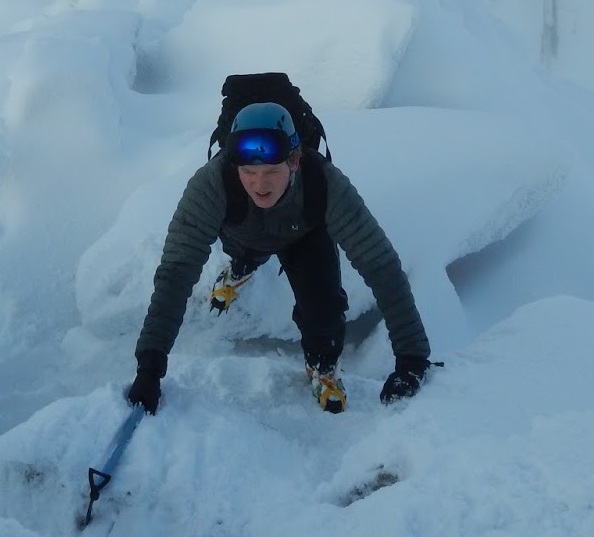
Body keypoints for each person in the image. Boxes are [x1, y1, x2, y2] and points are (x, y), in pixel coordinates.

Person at [126, 102, 438, 416]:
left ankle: (322, 366)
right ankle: (240, 270)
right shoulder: (211, 185)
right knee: (246, 256)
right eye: (249, 172)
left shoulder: (323, 183)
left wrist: (412, 356)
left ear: (295, 161)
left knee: (324, 307)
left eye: (272, 171)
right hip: (245, 235)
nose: (260, 184)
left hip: (304, 236)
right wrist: (149, 367)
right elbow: (176, 272)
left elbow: (380, 263)